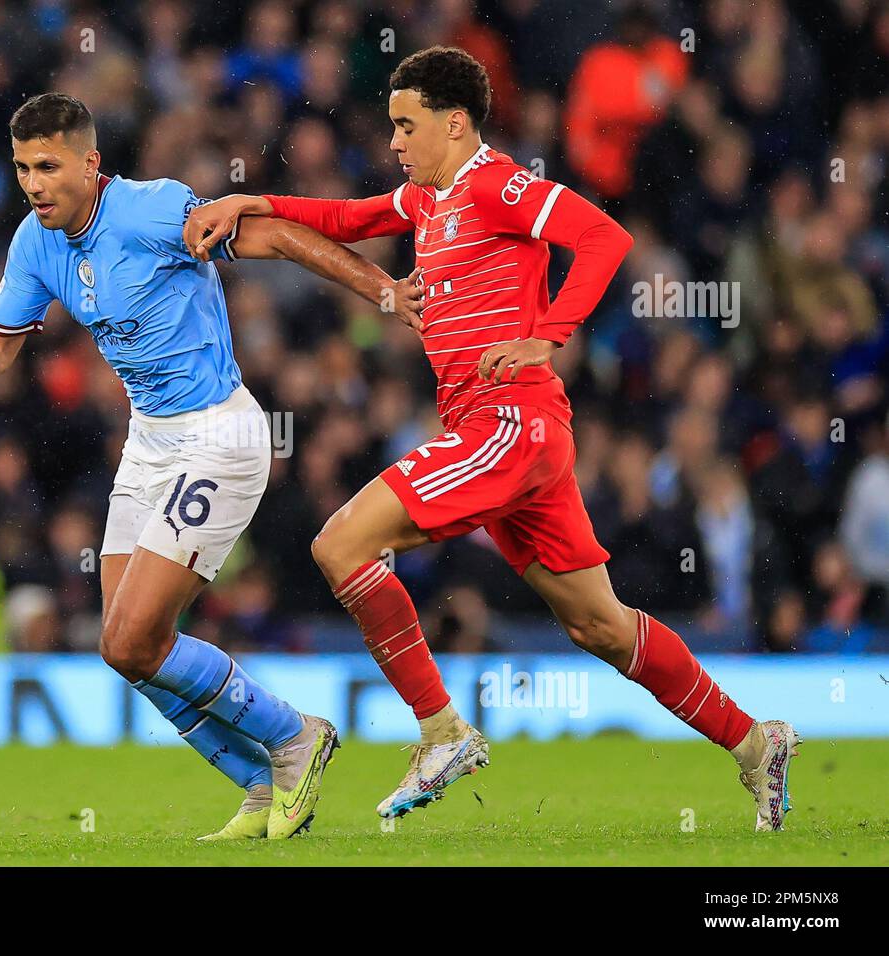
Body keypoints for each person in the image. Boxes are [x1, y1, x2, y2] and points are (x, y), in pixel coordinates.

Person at [186, 47, 799, 831]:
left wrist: (550, 336)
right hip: (516, 435)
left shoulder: (495, 184)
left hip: (508, 421)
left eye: (407, 126)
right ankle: (755, 743)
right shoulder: (427, 199)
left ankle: (441, 731)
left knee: (340, 545)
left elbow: (603, 237)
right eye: (391, 127)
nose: (397, 141)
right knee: (599, 626)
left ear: (455, 121)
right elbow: (348, 218)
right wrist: (251, 199)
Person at [0, 93, 422, 840]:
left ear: (90, 164)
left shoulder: (155, 211)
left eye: (48, 166)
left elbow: (275, 238)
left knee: (130, 638)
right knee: (125, 648)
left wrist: (381, 289)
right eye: (23, 167)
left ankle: (293, 736)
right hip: (151, 444)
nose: (33, 183)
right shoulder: (35, 242)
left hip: (220, 436)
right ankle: (257, 783)